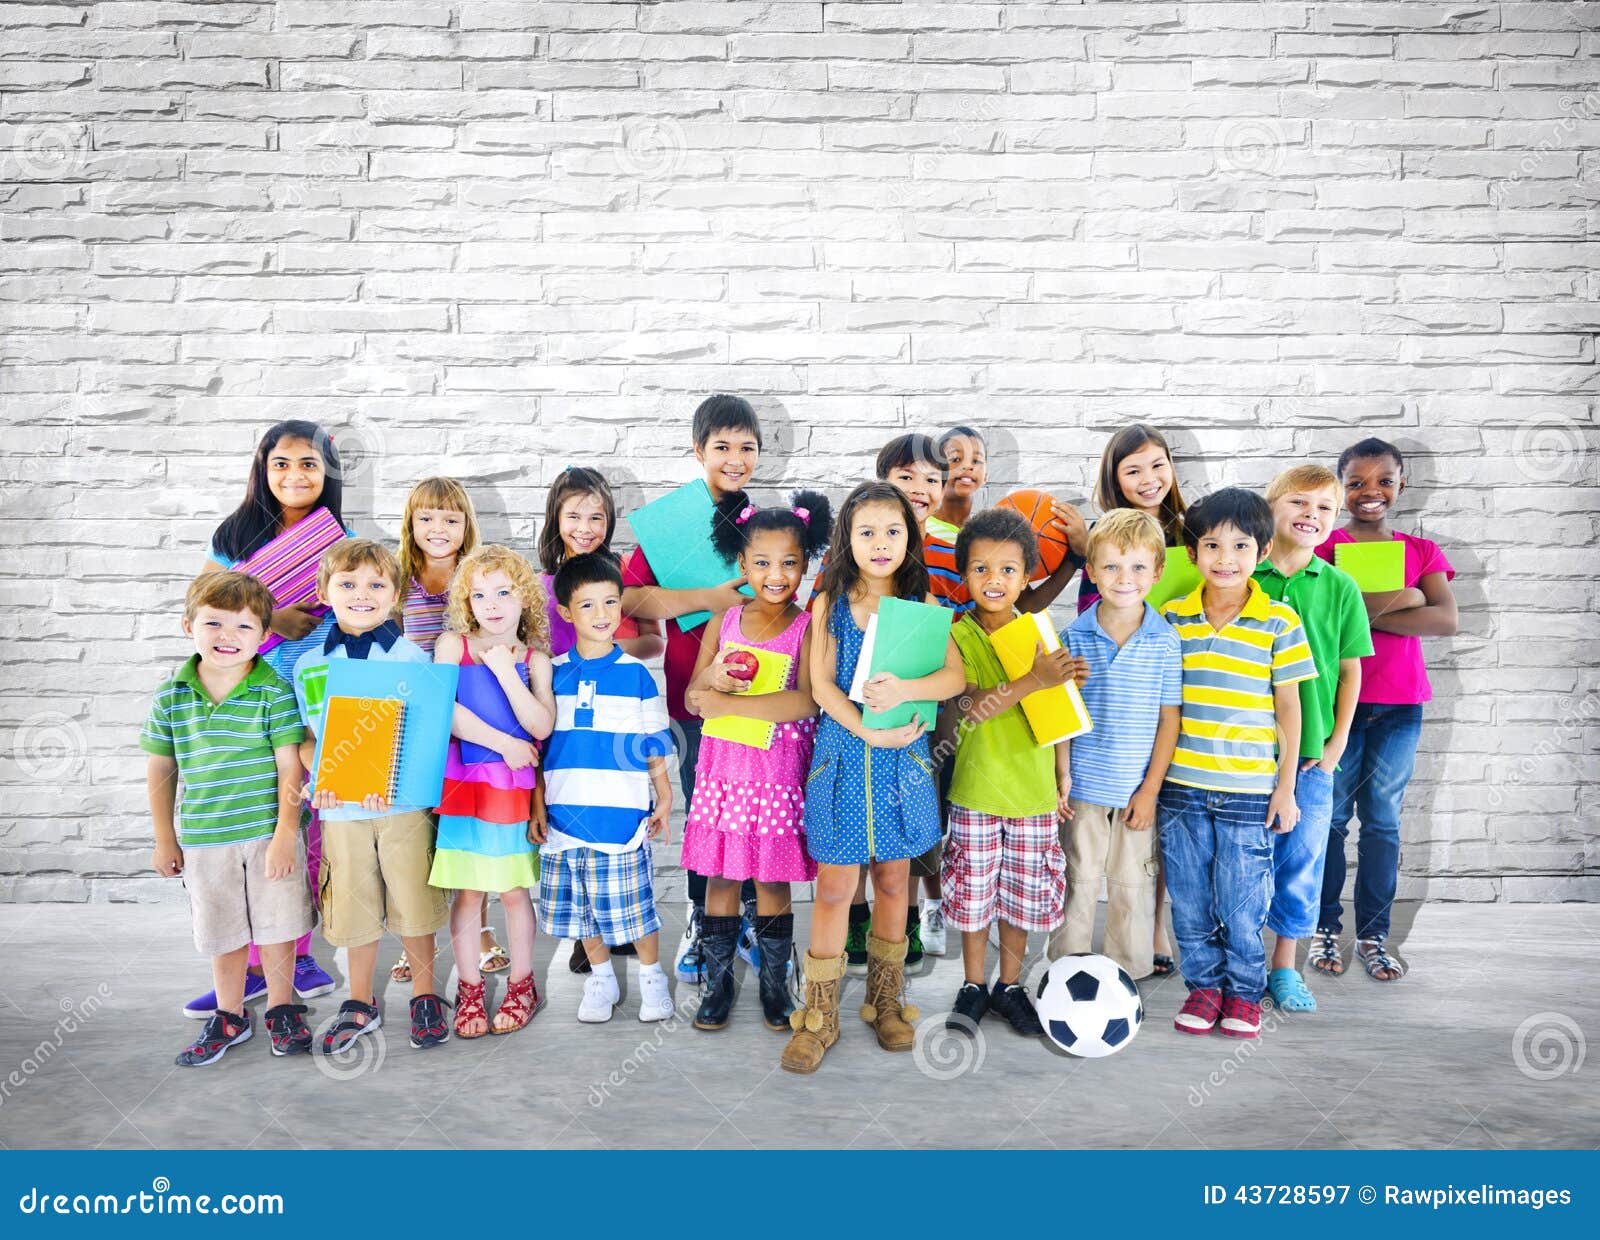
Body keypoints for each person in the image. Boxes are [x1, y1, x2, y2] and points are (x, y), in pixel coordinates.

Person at [781, 482, 965, 1074]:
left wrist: (908, 690)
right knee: (835, 889)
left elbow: (954, 680)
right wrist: (867, 731)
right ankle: (820, 1013)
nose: (881, 543)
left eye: (893, 531)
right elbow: (822, 687)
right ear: (847, 540)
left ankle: (886, 1000)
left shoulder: (925, 609)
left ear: (911, 538)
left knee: (893, 882)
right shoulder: (829, 603)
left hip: (903, 766)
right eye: (867, 532)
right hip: (846, 755)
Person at [182, 420, 349, 1019]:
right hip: (247, 695)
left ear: (326, 473)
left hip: (311, 698)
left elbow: (355, 608)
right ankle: (248, 967)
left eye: (309, 464)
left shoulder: (339, 538)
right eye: (282, 463)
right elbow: (203, 598)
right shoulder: (236, 532)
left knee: (303, 822)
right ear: (263, 467)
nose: (295, 475)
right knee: (253, 821)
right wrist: (273, 616)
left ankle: (295, 955)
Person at [1158, 489, 1316, 1040]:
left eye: (1240, 546)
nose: (1225, 557)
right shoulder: (1171, 619)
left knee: (1242, 900)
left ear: (1264, 550)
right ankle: (1203, 988)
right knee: (1190, 900)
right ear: (1193, 553)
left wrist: (1286, 788)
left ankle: (1245, 991)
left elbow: (1290, 709)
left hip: (1249, 791)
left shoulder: (1279, 620)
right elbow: (1162, 704)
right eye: (1211, 545)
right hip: (1180, 788)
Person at [144, 572, 314, 1065]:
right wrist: (164, 838)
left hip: (267, 833)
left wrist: (286, 835)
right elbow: (161, 766)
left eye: (243, 627)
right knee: (224, 929)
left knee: (279, 925)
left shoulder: (273, 690)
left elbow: (290, 765)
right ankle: (230, 1014)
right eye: (213, 623)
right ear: (187, 626)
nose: (227, 636)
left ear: (264, 636)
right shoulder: (172, 696)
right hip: (205, 837)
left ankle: (283, 1008)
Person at [620, 397, 762, 984]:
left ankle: (753, 916)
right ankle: (704, 920)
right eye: (722, 447)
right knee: (706, 816)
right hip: (692, 699)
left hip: (760, 699)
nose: (735, 459)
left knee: (753, 811)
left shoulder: (767, 523)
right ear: (698, 450)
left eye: (747, 447)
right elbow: (627, 600)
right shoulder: (671, 524)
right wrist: (709, 599)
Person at [294, 540, 452, 1053]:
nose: (362, 595)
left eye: (376, 584)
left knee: (412, 896)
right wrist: (318, 774)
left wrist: (399, 782)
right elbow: (309, 736)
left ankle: (425, 993)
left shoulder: (414, 658)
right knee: (354, 900)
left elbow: (426, 732)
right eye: (347, 584)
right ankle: (359, 1000)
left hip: (402, 806)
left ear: (397, 594)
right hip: (341, 808)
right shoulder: (307, 666)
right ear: (324, 592)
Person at [682, 490, 831, 1031]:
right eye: (762, 562)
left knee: (771, 883)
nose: (776, 574)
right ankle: (717, 987)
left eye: (790, 562)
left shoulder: (807, 624)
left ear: (807, 563)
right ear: (741, 564)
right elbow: (692, 697)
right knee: (721, 878)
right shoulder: (725, 621)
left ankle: (774, 988)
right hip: (724, 774)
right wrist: (712, 686)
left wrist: (730, 702)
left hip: (775, 777)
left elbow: (807, 699)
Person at [1311, 439, 1457, 983]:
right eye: (1356, 482)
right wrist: (1408, 598)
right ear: (1340, 487)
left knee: (1383, 824)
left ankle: (1373, 935)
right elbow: (1323, 621)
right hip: (1338, 706)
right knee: (1328, 821)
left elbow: (1445, 621)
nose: (1370, 492)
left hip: (1400, 706)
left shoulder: (1421, 550)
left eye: (1384, 481)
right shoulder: (1324, 548)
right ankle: (1325, 927)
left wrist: (1368, 612)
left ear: (1402, 485)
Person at [940, 509, 1086, 1038]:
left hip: (1033, 791)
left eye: (1007, 570)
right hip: (978, 790)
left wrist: (1062, 774)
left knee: (1022, 896)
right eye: (980, 569)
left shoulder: (1038, 633)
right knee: (975, 894)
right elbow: (973, 707)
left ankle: (1010, 986)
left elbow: (1061, 711)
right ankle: (974, 984)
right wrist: (1034, 679)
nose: (993, 581)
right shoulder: (957, 635)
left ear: (1027, 577)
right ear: (964, 576)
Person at [532, 553, 676, 1024]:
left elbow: (653, 741)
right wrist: (536, 805)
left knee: (635, 907)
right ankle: (601, 977)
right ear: (567, 612)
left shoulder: (635, 674)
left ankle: (652, 977)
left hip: (621, 813)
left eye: (611, 602)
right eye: (588, 605)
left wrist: (665, 794)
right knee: (581, 912)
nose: (602, 614)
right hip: (562, 815)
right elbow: (536, 747)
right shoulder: (550, 673)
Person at [538, 465, 663, 973]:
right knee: (573, 835)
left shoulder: (626, 575)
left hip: (614, 713)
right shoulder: (541, 585)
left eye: (597, 516)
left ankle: (628, 937)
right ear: (555, 519)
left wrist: (605, 654)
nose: (586, 526)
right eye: (574, 516)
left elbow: (654, 638)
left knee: (617, 829)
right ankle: (588, 940)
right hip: (562, 716)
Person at [428, 545, 556, 1038]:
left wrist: (506, 671)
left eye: (504, 592)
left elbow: (541, 725)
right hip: (464, 785)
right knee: (467, 892)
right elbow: (448, 711)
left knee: (512, 890)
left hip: (509, 790)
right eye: (479, 594)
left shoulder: (534, 660)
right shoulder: (450, 645)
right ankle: (469, 988)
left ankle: (522, 985)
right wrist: (504, 743)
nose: (492, 603)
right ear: (466, 602)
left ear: (525, 598)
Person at [1052, 509, 1183, 981]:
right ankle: (1066, 967)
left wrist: (1150, 790)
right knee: (1078, 879)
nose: (1123, 578)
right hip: (1084, 786)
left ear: (1157, 571)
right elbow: (1063, 715)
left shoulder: (1166, 642)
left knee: (1132, 882)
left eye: (1137, 568)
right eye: (1110, 566)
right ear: (1090, 571)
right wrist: (1062, 775)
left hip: (1135, 791)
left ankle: (1128, 969)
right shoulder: (1074, 635)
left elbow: (1170, 720)